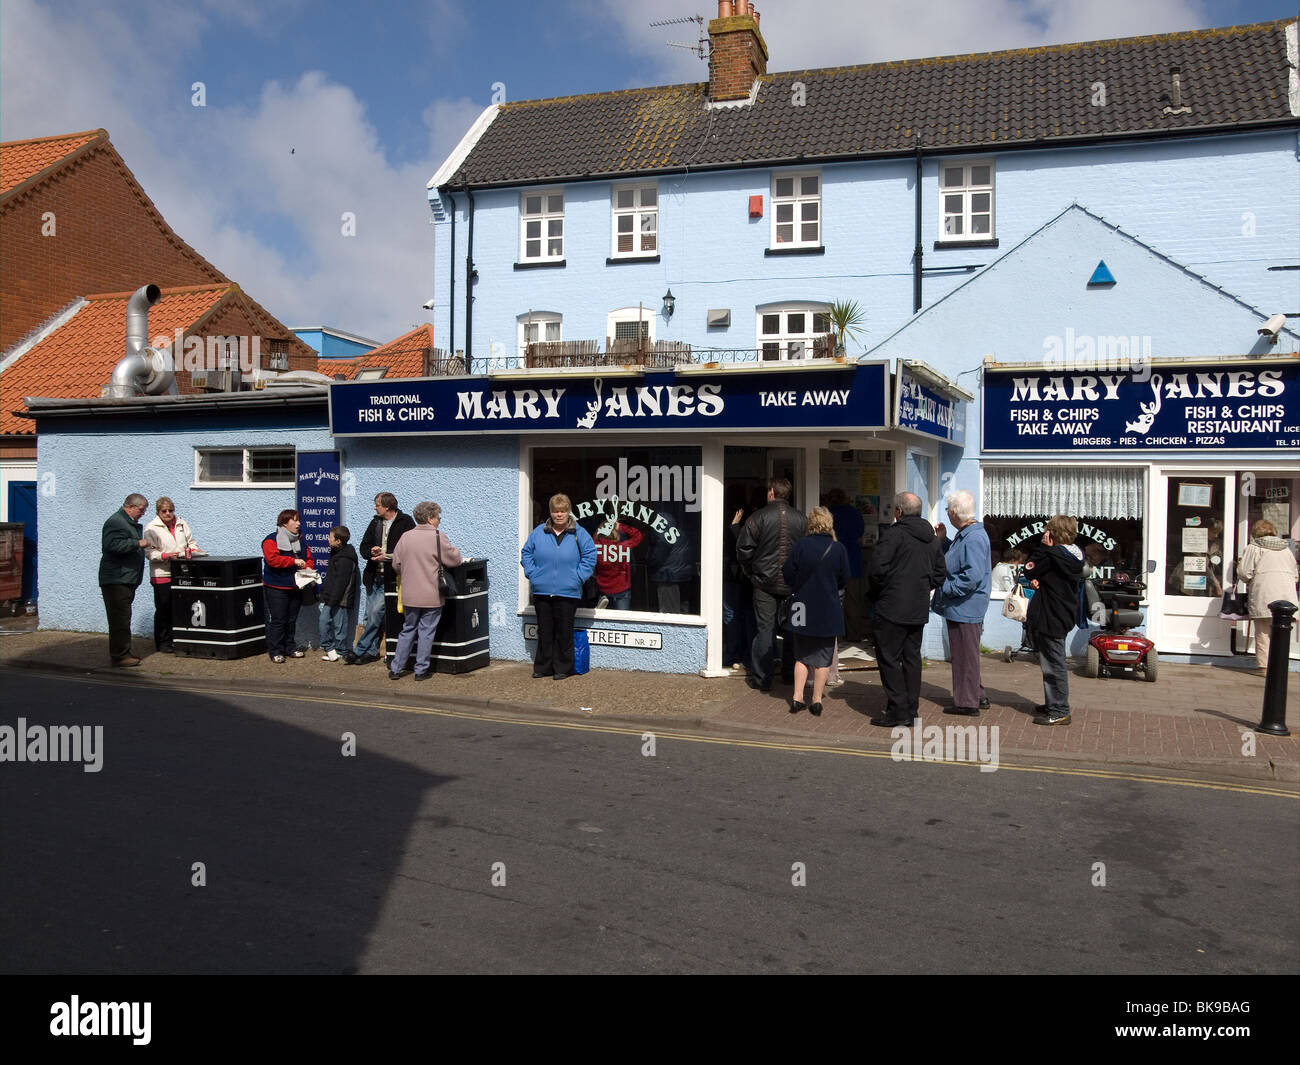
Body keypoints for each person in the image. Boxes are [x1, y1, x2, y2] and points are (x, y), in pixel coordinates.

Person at [866, 492, 946, 727]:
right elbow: (940, 573)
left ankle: (898, 711)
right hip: (917, 608)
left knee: (889, 659)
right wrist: (922, 587)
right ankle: (910, 710)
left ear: (899, 512)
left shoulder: (894, 535)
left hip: (892, 607)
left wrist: (886, 590)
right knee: (911, 659)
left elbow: (876, 570)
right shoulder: (931, 538)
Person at [735, 477, 807, 692]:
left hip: (764, 584)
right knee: (792, 630)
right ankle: (788, 673)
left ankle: (762, 678)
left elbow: (743, 550)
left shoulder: (758, 518)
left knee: (765, 630)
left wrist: (752, 573)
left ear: (772, 493)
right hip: (793, 585)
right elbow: (807, 551)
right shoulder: (801, 519)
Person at [781, 506, 851, 716]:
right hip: (828, 608)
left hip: (802, 607)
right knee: (823, 658)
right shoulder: (838, 549)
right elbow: (845, 578)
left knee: (801, 655)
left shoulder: (801, 546)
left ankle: (796, 698)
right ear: (829, 524)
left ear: (810, 524)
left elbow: (787, 573)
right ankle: (817, 700)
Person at [521, 493, 596, 680]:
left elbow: (590, 556)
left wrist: (578, 577)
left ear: (568, 511)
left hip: (568, 592)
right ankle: (543, 667)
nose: (559, 515)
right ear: (551, 512)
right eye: (555, 511)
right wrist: (533, 574)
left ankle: (563, 668)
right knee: (545, 631)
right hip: (542, 590)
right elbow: (526, 553)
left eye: (562, 511)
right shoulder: (539, 532)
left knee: (563, 632)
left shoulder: (580, 533)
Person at [931, 489, 992, 716]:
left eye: (948, 510)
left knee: (964, 656)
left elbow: (972, 575)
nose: (947, 513)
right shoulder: (968, 534)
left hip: (965, 605)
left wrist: (945, 588)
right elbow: (958, 559)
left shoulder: (973, 536)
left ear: (955, 513)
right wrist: (944, 541)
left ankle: (967, 703)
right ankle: (976, 695)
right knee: (967, 654)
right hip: (963, 605)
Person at [389, 502, 463, 680]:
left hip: (409, 593)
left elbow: (396, 564)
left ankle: (396, 668)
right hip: (431, 593)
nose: (439, 520)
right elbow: (455, 560)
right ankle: (420, 670)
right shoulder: (438, 536)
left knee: (407, 629)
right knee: (426, 632)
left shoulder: (405, 537)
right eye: (438, 517)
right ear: (430, 518)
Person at [1023, 514, 1085, 726]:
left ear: (1053, 533)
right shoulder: (1075, 555)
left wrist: (1042, 548)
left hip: (1050, 615)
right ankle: (1053, 702)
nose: (1045, 532)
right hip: (1063, 613)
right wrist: (1039, 579)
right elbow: (1043, 576)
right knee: (1052, 661)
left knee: (1053, 664)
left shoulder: (1052, 554)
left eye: (1048, 530)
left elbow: (1029, 568)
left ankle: (1060, 710)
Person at [347, 493, 416, 665]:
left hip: (391, 578)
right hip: (374, 576)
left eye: (377, 504)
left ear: (387, 506)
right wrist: (372, 551)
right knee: (369, 616)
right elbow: (363, 547)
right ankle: (371, 651)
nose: (374, 507)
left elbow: (409, 551)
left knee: (375, 614)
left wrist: (388, 557)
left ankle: (359, 649)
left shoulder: (405, 522)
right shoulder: (375, 522)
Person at [1237, 519, 1299, 673]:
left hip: (1264, 593)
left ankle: (1265, 668)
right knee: (1282, 631)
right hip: (1286, 594)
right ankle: (1279, 664)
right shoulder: (1285, 549)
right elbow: (1296, 575)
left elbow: (1244, 573)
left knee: (1263, 631)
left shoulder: (1254, 547)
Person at [143, 496, 202, 654]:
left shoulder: (181, 523)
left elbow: (192, 542)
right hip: (162, 572)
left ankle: (178, 639)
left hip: (181, 571)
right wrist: (164, 556)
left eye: (171, 510)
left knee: (180, 607)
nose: (168, 513)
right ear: (158, 512)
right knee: (164, 608)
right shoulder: (151, 527)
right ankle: (163, 642)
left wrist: (192, 552)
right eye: (164, 511)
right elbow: (149, 552)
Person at [100, 493, 150, 667]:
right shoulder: (116, 522)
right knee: (119, 619)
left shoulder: (126, 523)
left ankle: (123, 652)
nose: (143, 513)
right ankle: (120, 656)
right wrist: (138, 544)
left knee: (123, 617)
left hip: (125, 578)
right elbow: (111, 545)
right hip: (116, 579)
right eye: (141, 510)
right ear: (130, 506)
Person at [261, 509, 315, 664]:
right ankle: (275, 651)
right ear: (284, 523)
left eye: (299, 520)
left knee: (292, 620)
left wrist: (309, 567)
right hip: (276, 587)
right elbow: (273, 560)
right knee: (279, 620)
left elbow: (308, 557)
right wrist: (293, 561)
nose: (298, 524)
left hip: (296, 587)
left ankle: (289, 647)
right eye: (295, 520)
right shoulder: (271, 540)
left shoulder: (301, 540)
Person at [825, 488, 867, 642]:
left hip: (834, 560)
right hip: (853, 559)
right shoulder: (854, 513)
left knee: (833, 599)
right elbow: (860, 531)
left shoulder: (828, 515)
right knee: (853, 601)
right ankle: (854, 634)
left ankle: (834, 635)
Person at [318, 526, 359, 661]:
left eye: (330, 537)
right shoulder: (336, 552)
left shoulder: (345, 558)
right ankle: (332, 649)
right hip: (332, 596)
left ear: (338, 541)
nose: (328, 539)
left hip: (340, 598)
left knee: (337, 624)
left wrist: (331, 600)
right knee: (327, 622)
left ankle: (337, 650)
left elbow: (341, 582)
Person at [645, 508, 693, 613]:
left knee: (669, 612)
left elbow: (657, 557)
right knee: (683, 610)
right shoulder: (681, 533)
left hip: (668, 577)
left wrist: (647, 560)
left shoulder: (663, 536)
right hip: (683, 576)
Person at [592, 513, 643, 610]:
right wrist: (620, 526)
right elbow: (638, 536)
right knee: (622, 621)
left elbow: (595, 536)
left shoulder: (596, 547)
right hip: (621, 589)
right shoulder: (621, 547)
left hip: (603, 589)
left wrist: (602, 527)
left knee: (603, 622)